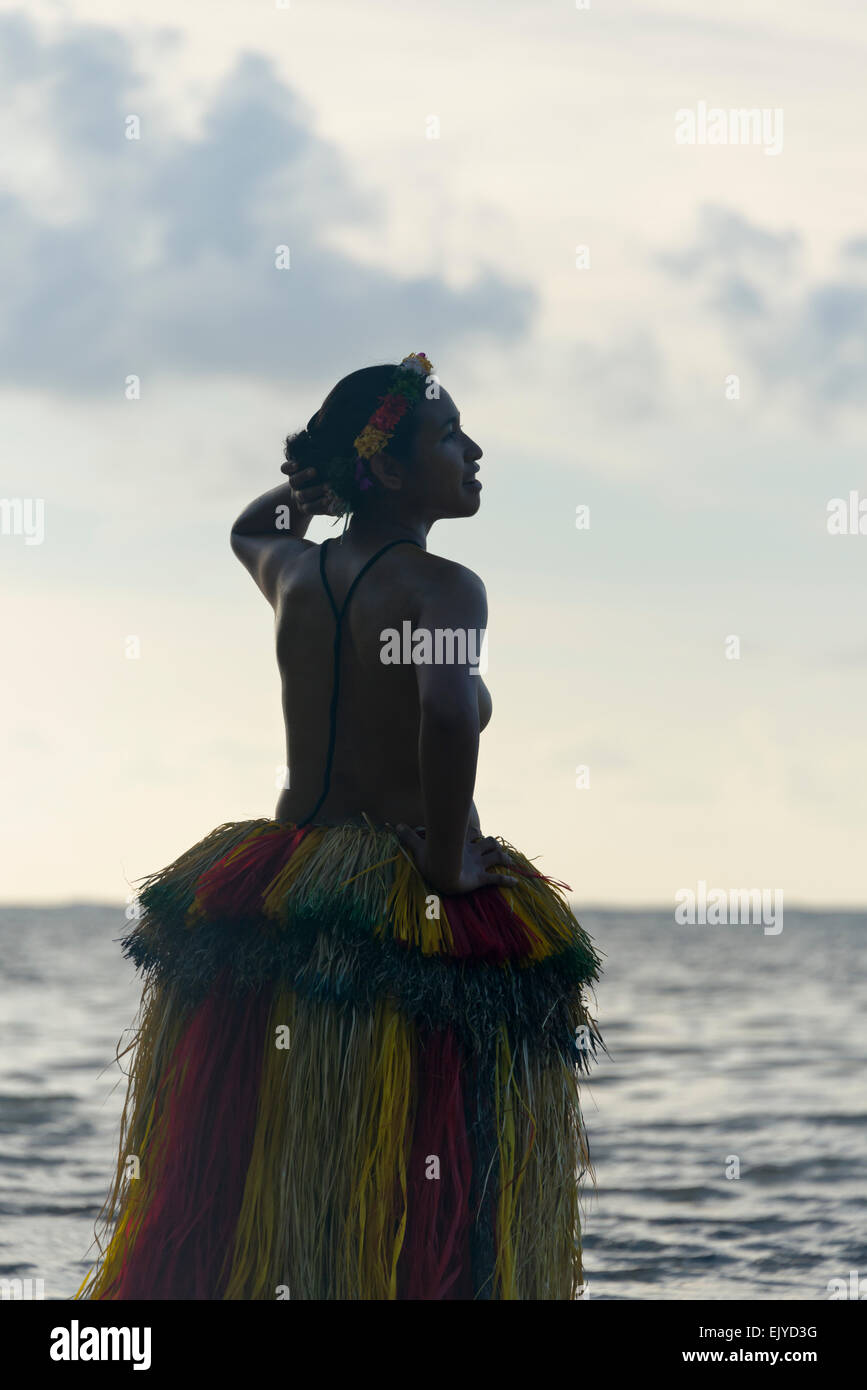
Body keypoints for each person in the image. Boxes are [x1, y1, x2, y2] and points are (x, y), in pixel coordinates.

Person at [75, 352, 603, 1301]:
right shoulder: (443, 587)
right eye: (450, 435)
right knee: (406, 1166)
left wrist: (307, 488)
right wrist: (449, 867)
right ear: (393, 470)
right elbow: (445, 713)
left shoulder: (293, 569)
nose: (475, 449)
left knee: (276, 1167)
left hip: (289, 879)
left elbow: (249, 526)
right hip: (399, 889)